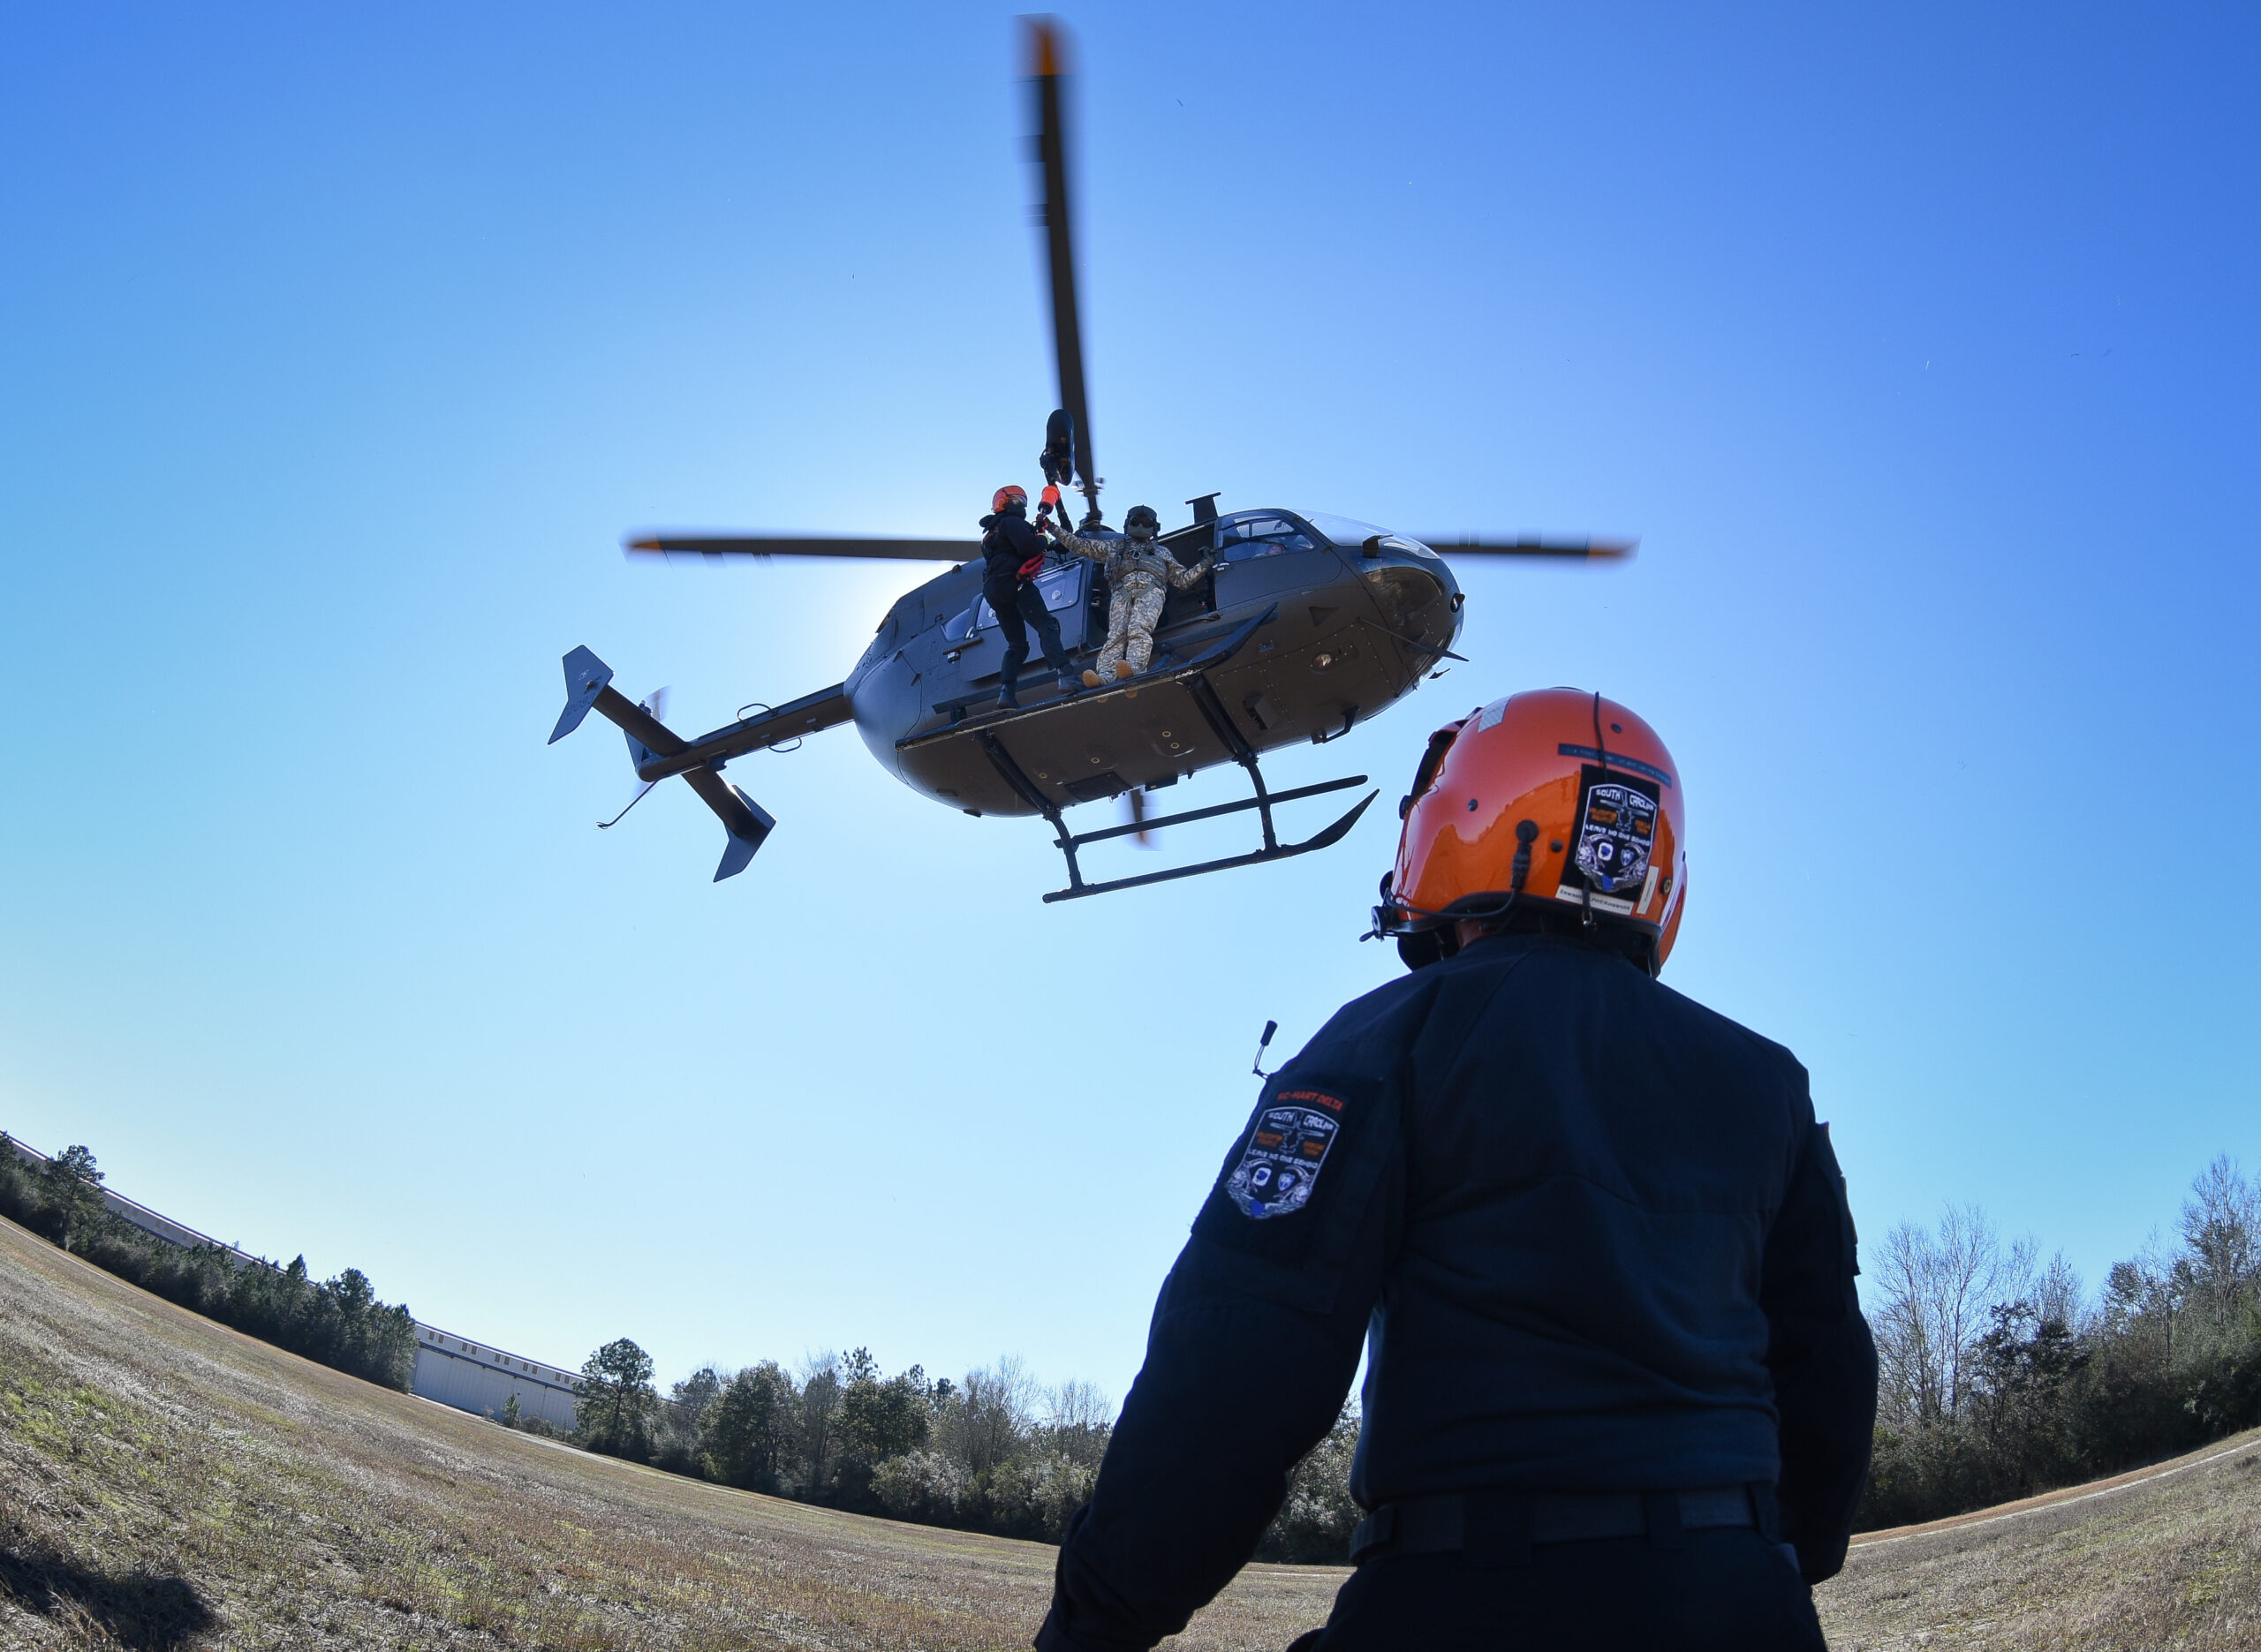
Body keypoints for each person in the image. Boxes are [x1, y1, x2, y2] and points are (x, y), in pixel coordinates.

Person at [1033, 688, 1877, 1652]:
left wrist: (1092, 1620)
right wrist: (1763, 1563)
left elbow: (1232, 1372)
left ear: (1464, 818)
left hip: (1467, 1587)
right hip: (1747, 1599)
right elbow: (1829, 1372)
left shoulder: (1383, 1040)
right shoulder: (1766, 1082)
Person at [1045, 504, 1214, 687]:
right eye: (1136, 522)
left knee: (1138, 629)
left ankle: (1134, 669)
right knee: (1116, 635)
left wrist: (1205, 563)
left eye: (1145, 522)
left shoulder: (1162, 552)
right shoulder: (1115, 546)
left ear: (1153, 527)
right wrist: (1053, 528)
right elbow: (1081, 546)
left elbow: (1182, 580)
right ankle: (1104, 677)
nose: (1140, 526)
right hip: (1121, 592)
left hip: (1151, 591)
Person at [979, 484, 1077, 709]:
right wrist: (1041, 535)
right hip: (1016, 583)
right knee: (1047, 626)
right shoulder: (1011, 522)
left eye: (1023, 502)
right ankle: (1067, 676)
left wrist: (1045, 538)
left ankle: (1006, 694)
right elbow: (1030, 547)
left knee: (1017, 645)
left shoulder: (990, 534)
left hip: (994, 590)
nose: (1021, 505)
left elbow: (1035, 546)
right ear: (1004, 502)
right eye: (1017, 500)